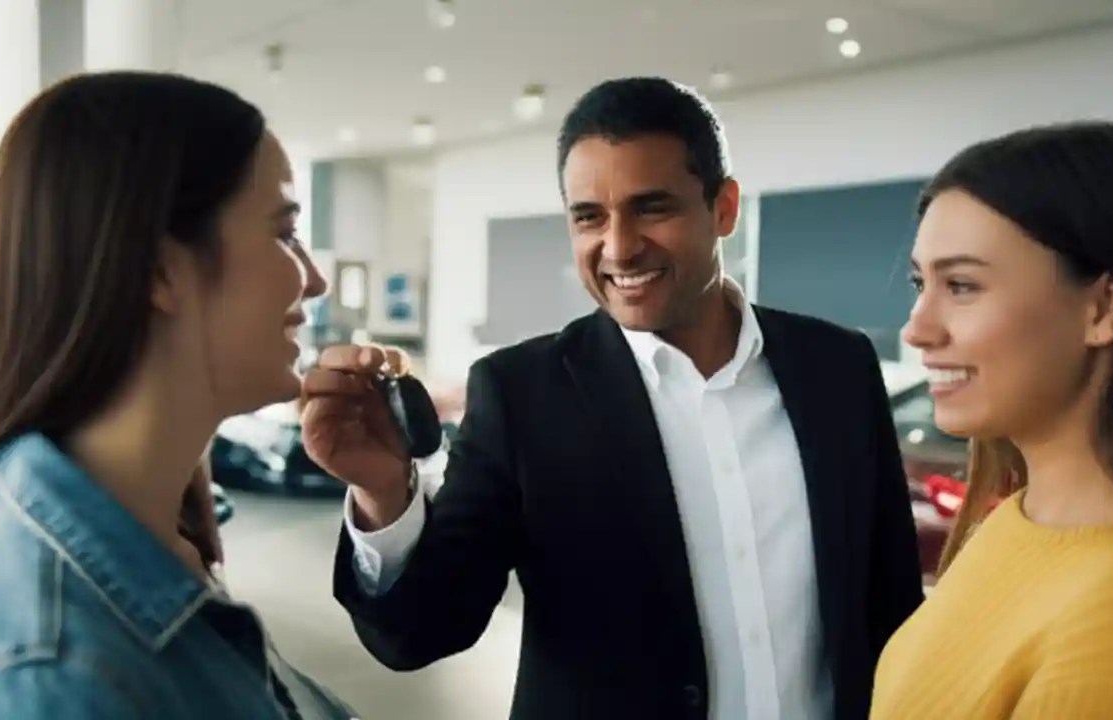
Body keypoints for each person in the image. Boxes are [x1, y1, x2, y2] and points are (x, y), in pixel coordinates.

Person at [302, 77, 924, 720]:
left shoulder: (837, 368)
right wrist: (383, 494)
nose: (619, 247)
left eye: (652, 207)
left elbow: (893, 603)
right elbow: (420, 633)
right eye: (589, 217)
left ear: (724, 208)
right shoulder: (522, 395)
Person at [0, 72, 358, 719]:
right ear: (159, 270)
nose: (315, 280)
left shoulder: (162, 541)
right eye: (283, 233)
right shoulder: (51, 678)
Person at [871, 122, 1113, 718]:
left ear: (1104, 308)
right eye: (919, 282)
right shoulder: (1016, 524)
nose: (916, 328)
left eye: (961, 285)